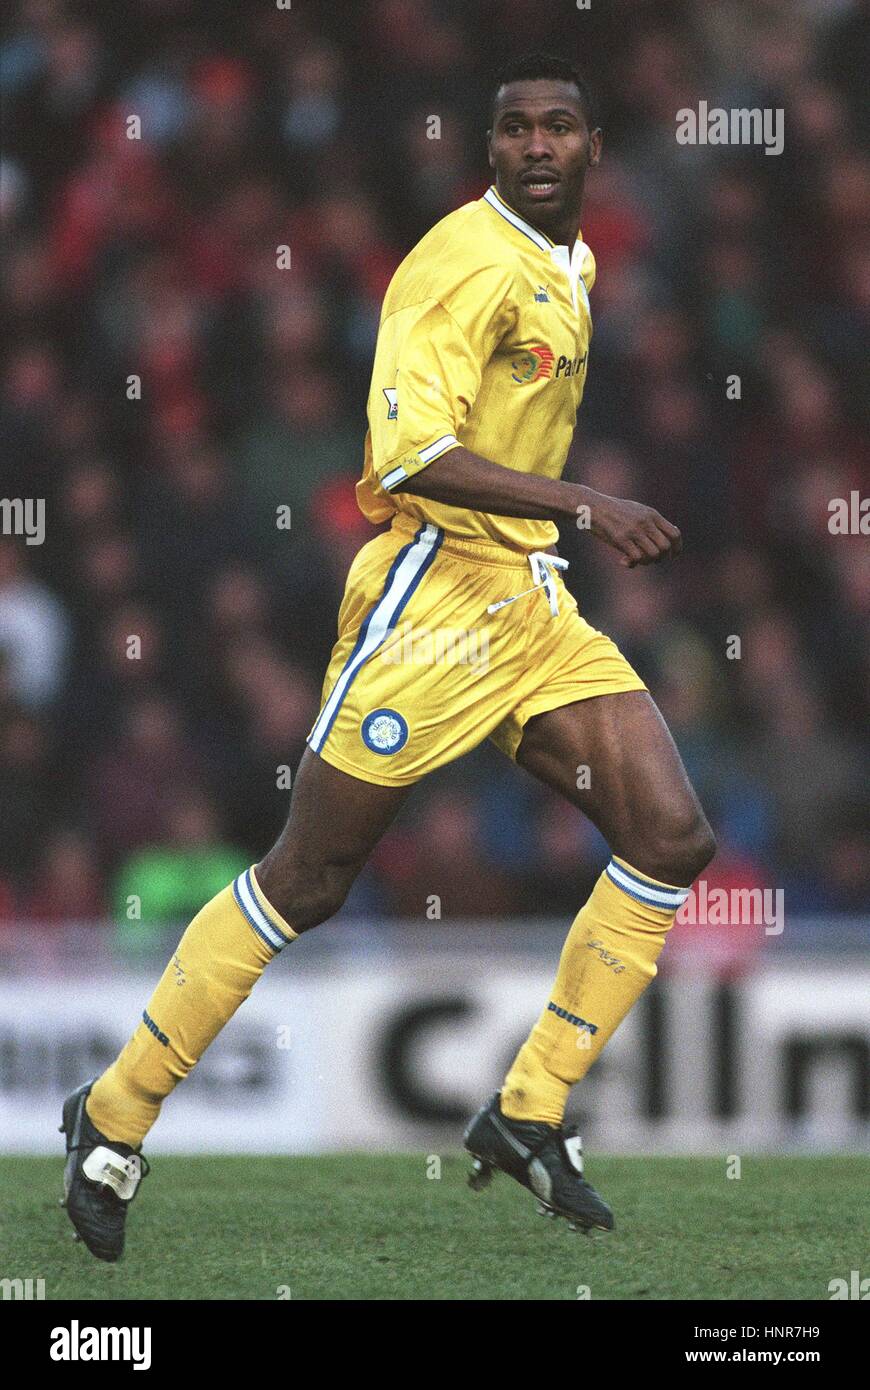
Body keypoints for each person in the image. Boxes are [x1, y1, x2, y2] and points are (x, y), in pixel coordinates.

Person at [61, 53, 715, 1260]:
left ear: (592, 150)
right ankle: (112, 1114)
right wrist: (585, 501)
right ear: (490, 148)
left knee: (672, 837)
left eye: (558, 127)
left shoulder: (571, 263)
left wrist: (554, 527)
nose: (534, 144)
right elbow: (408, 456)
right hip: (430, 600)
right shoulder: (457, 263)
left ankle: (527, 1108)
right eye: (513, 126)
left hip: (525, 599)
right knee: (305, 882)